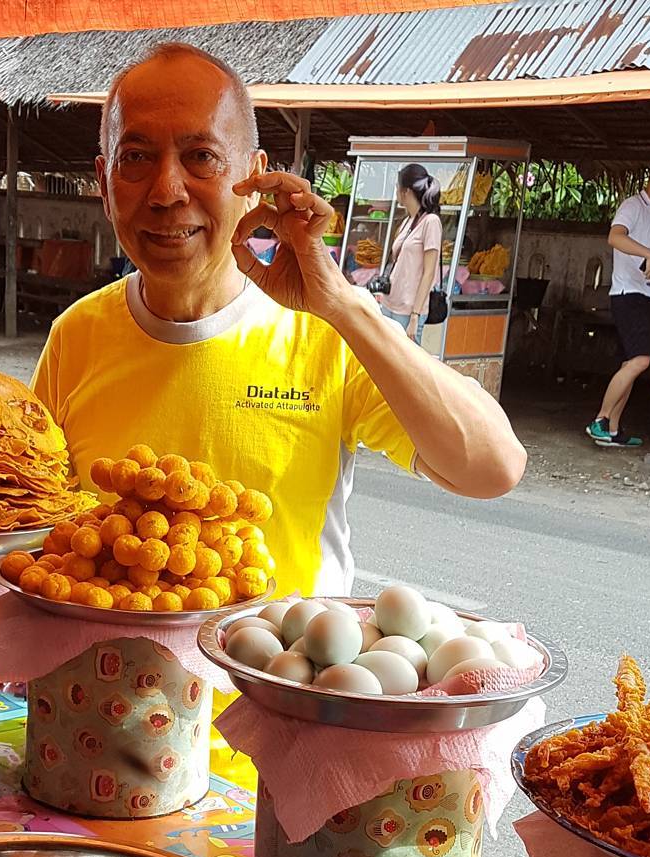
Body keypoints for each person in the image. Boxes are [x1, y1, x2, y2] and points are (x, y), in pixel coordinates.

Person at [31, 43, 526, 600]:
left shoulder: (325, 332)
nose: (167, 193)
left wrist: (342, 303)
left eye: (201, 157)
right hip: (104, 685)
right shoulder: (75, 337)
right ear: (104, 180)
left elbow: (493, 468)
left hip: (284, 686)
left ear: (254, 176)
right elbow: (32, 527)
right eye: (137, 158)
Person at [587, 151, 650, 448]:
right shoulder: (632, 206)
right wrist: (647, 253)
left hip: (649, 293)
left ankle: (614, 429)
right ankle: (600, 420)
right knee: (641, 360)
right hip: (628, 292)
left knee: (630, 362)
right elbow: (615, 237)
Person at [381, 164, 443, 345]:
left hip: (409, 309)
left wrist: (415, 315)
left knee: (403, 364)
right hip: (390, 302)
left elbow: (429, 272)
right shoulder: (407, 221)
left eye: (397, 188)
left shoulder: (431, 222)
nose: (396, 192)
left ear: (405, 191)